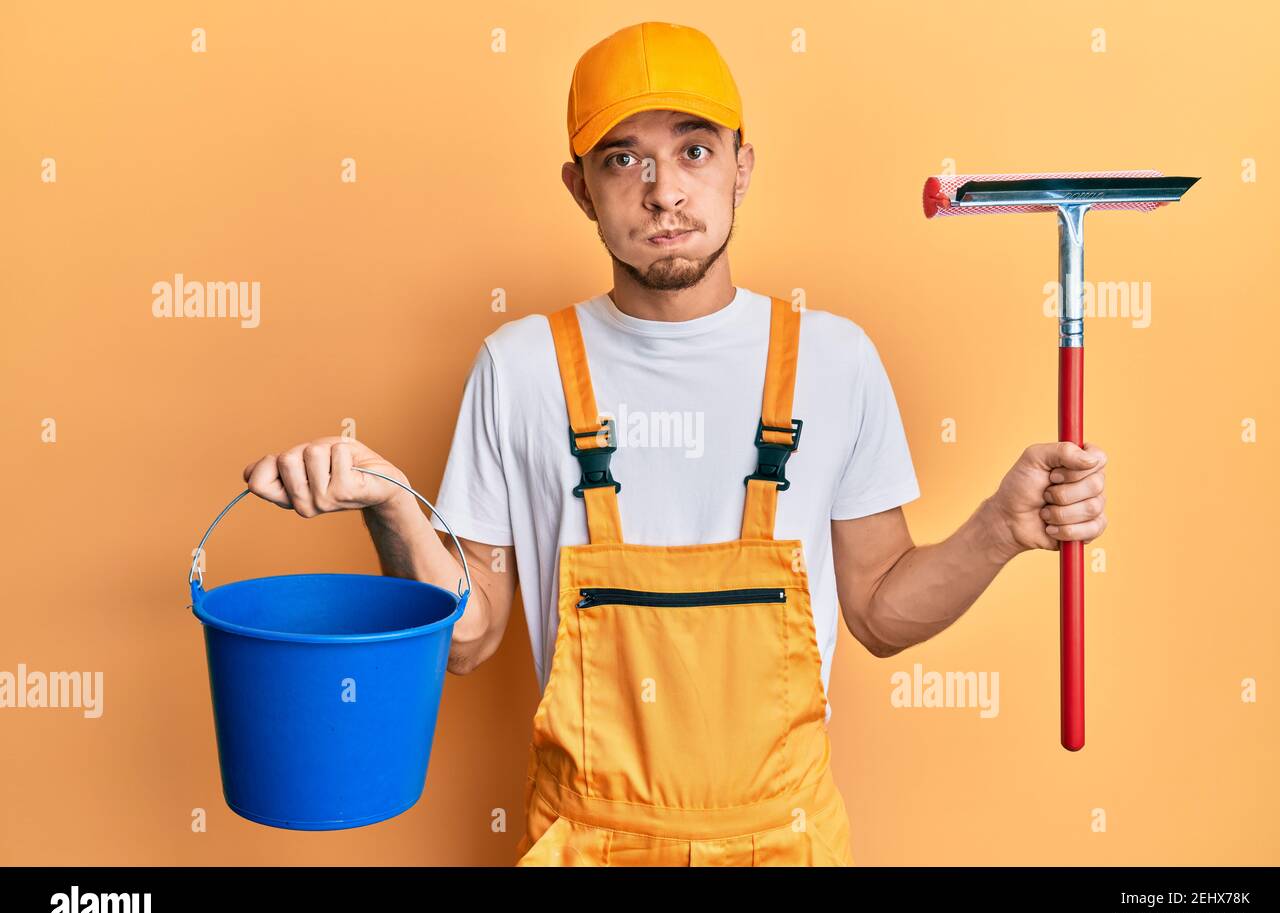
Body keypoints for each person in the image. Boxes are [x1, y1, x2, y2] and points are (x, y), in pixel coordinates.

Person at [243, 22, 1108, 866]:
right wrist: (394, 505)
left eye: (695, 151)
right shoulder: (521, 368)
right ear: (580, 187)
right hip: (582, 843)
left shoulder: (835, 361)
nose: (663, 191)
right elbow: (467, 641)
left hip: (787, 844)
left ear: (744, 167)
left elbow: (880, 614)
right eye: (624, 158)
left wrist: (1001, 527)